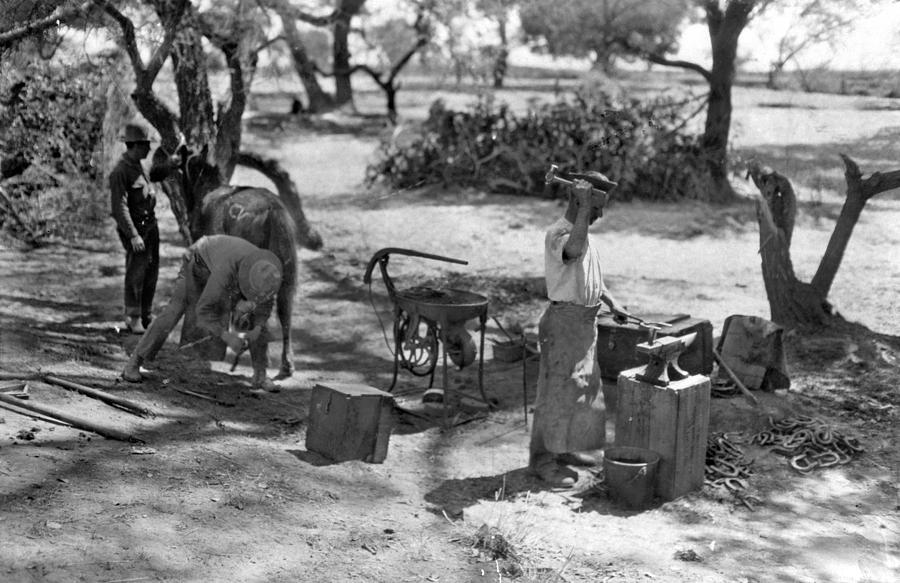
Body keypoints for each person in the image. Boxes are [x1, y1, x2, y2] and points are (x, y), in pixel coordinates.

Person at [530, 170, 630, 488]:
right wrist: (584, 209)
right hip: (563, 324)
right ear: (579, 199)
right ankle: (544, 461)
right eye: (595, 207)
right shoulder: (559, 234)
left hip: (586, 325)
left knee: (583, 389)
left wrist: (613, 304)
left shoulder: (585, 234)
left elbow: (591, 279)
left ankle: (567, 449)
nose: (600, 214)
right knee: (557, 393)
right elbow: (573, 253)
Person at [122, 234, 284, 393]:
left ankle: (260, 375)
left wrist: (256, 330)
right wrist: (227, 336)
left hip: (224, 264)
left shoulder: (268, 274)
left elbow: (265, 306)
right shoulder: (226, 270)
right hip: (199, 262)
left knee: (255, 318)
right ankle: (134, 363)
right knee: (174, 310)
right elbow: (204, 310)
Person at [109, 123, 158, 334]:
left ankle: (146, 315)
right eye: (146, 144)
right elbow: (119, 208)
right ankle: (133, 317)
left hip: (150, 227)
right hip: (136, 231)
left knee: (151, 272)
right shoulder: (121, 171)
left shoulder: (139, 165)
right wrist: (133, 235)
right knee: (136, 273)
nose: (149, 149)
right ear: (135, 145)